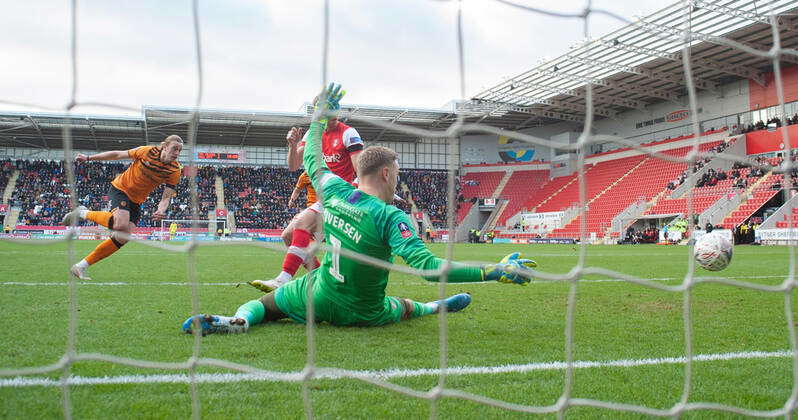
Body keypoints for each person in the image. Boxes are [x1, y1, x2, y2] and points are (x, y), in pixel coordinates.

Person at [183, 84, 536, 334]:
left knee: (263, 306)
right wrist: (491, 270)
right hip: (362, 311)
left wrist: (318, 119)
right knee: (404, 307)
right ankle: (435, 307)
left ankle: (239, 322)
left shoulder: (333, 191)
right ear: (385, 173)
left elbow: (310, 157)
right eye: (397, 174)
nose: (397, 180)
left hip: (319, 295)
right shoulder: (391, 216)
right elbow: (429, 269)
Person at [249, 102, 365, 293]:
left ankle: (282, 280)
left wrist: (353, 196)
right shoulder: (312, 134)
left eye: (333, 106)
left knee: (303, 225)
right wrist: (292, 144)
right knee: (287, 236)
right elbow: (294, 165)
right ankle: (321, 278)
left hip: (342, 195)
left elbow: (360, 169)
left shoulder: (348, 133)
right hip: (324, 198)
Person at [62, 135, 183, 280]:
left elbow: (166, 196)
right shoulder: (146, 152)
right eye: (174, 148)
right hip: (121, 189)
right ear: (165, 146)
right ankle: (82, 213)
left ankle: (80, 266)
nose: (176, 153)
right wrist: (89, 158)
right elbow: (118, 154)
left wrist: (161, 209)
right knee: (120, 224)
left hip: (136, 201)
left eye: (179, 150)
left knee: (123, 236)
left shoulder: (174, 170)